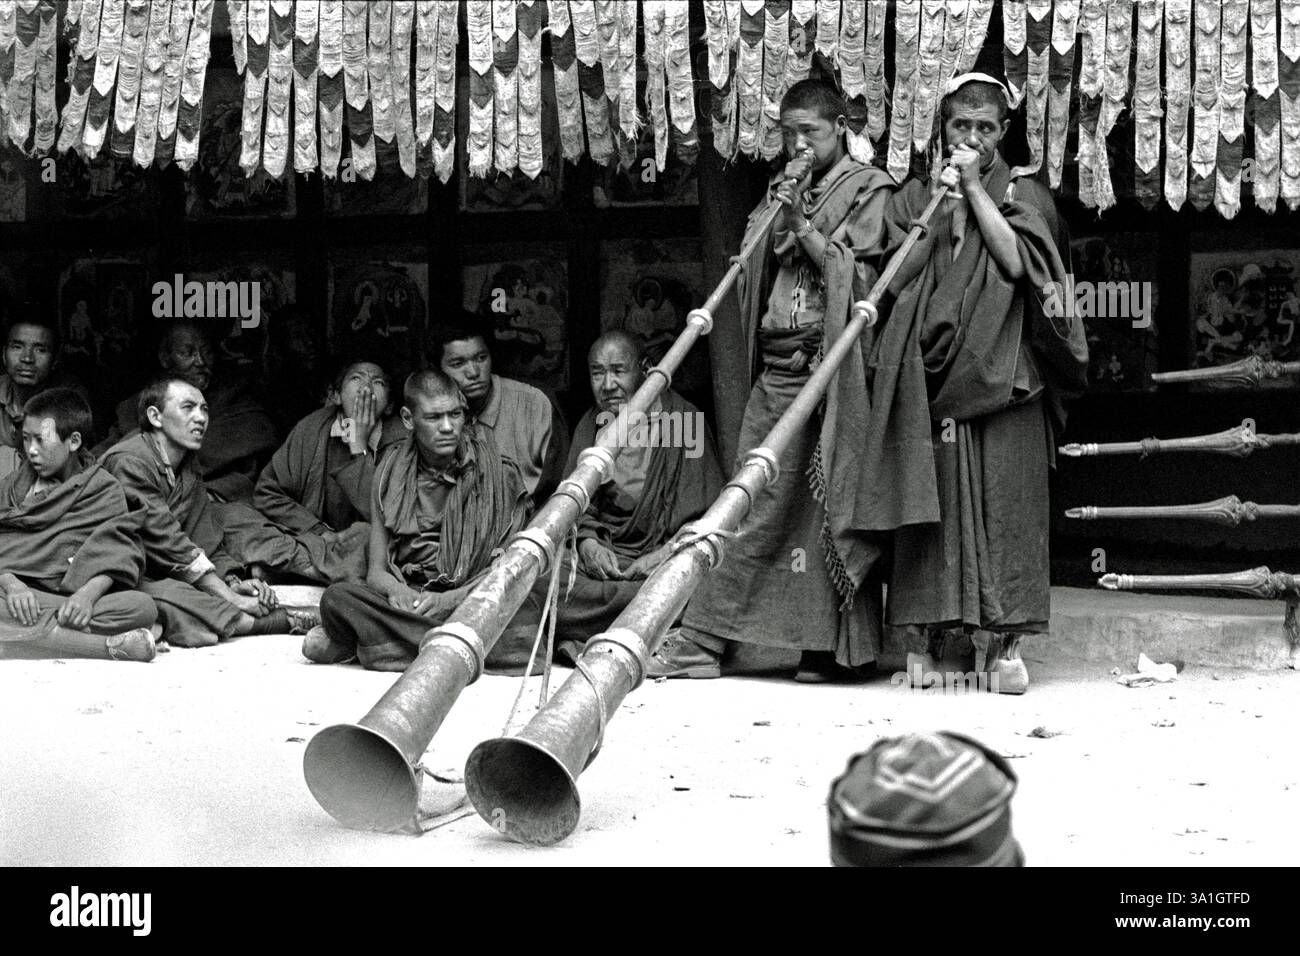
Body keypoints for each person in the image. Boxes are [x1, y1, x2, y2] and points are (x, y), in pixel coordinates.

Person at [650, 79, 894, 682]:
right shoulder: (784, 186)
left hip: (827, 367)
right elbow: (754, 261)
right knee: (749, 499)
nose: (798, 144)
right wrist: (779, 211)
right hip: (778, 367)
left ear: (842, 126)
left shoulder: (872, 190)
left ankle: (818, 650)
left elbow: (860, 278)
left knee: (822, 505)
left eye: (809, 132)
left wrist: (801, 224)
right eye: (788, 133)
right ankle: (709, 642)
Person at [868, 73, 1088, 693]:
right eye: (960, 126)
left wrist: (973, 190)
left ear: (1004, 132)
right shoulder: (919, 197)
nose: (972, 137)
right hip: (935, 376)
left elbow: (1021, 264)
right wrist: (941, 208)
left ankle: (1005, 644)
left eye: (985, 128)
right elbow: (895, 278)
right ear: (942, 129)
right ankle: (936, 638)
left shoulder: (1025, 193)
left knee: (1006, 505)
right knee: (936, 506)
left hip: (1006, 374)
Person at [307, 369, 543, 671]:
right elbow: (377, 572)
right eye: (433, 418)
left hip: (472, 596)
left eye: (455, 415)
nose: (448, 427)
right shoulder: (390, 470)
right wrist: (400, 592)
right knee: (338, 598)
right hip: (414, 599)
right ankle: (454, 647)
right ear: (408, 419)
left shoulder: (499, 472)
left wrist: (450, 600)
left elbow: (509, 571)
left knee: (531, 604)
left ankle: (385, 646)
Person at [550, 332, 724, 662]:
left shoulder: (683, 421)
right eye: (597, 372)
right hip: (609, 563)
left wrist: (663, 554)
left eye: (619, 370)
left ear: (646, 369)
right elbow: (571, 509)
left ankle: (596, 634)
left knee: (703, 583)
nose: (607, 384)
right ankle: (645, 630)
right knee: (541, 582)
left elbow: (709, 520)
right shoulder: (591, 423)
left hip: (667, 560)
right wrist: (588, 544)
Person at [98, 378, 311, 647]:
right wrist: (229, 597)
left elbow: (202, 535)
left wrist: (232, 582)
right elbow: (165, 538)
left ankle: (188, 624)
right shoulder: (130, 460)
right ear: (155, 416)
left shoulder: (187, 463)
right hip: (111, 571)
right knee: (178, 595)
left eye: (205, 409)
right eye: (188, 408)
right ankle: (273, 623)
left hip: (154, 569)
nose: (200, 418)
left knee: (196, 612)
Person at [0, 389, 157, 662]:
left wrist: (86, 596)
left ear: (73, 441)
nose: (31, 450)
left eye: (40, 440)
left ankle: (23, 640)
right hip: (13, 594)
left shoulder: (103, 489)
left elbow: (120, 550)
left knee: (141, 607)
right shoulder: (12, 487)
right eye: (26, 440)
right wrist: (12, 585)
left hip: (69, 596)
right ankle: (104, 647)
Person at [221, 359, 407, 583]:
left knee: (372, 540)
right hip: (313, 541)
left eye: (377, 382)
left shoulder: (402, 440)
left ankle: (293, 570)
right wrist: (319, 531)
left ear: (389, 405)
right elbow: (268, 493)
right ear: (337, 396)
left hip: (365, 545)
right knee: (228, 516)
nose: (365, 388)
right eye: (356, 378)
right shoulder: (313, 427)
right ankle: (315, 571)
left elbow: (391, 520)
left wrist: (358, 445)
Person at [95, 320, 280, 502]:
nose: (201, 361)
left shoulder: (234, 397)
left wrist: (205, 495)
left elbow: (254, 469)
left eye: (206, 352)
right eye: (188, 352)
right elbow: (105, 457)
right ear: (165, 359)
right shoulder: (136, 406)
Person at [430, 317, 569, 506]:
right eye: (458, 364)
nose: (473, 372)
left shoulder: (534, 404)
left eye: (481, 358)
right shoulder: (430, 414)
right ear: (437, 370)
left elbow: (559, 488)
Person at [0, 318, 89, 479]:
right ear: (4, 354)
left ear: (55, 359)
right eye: (17, 347)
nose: (27, 358)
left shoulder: (69, 399)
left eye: (40, 350)